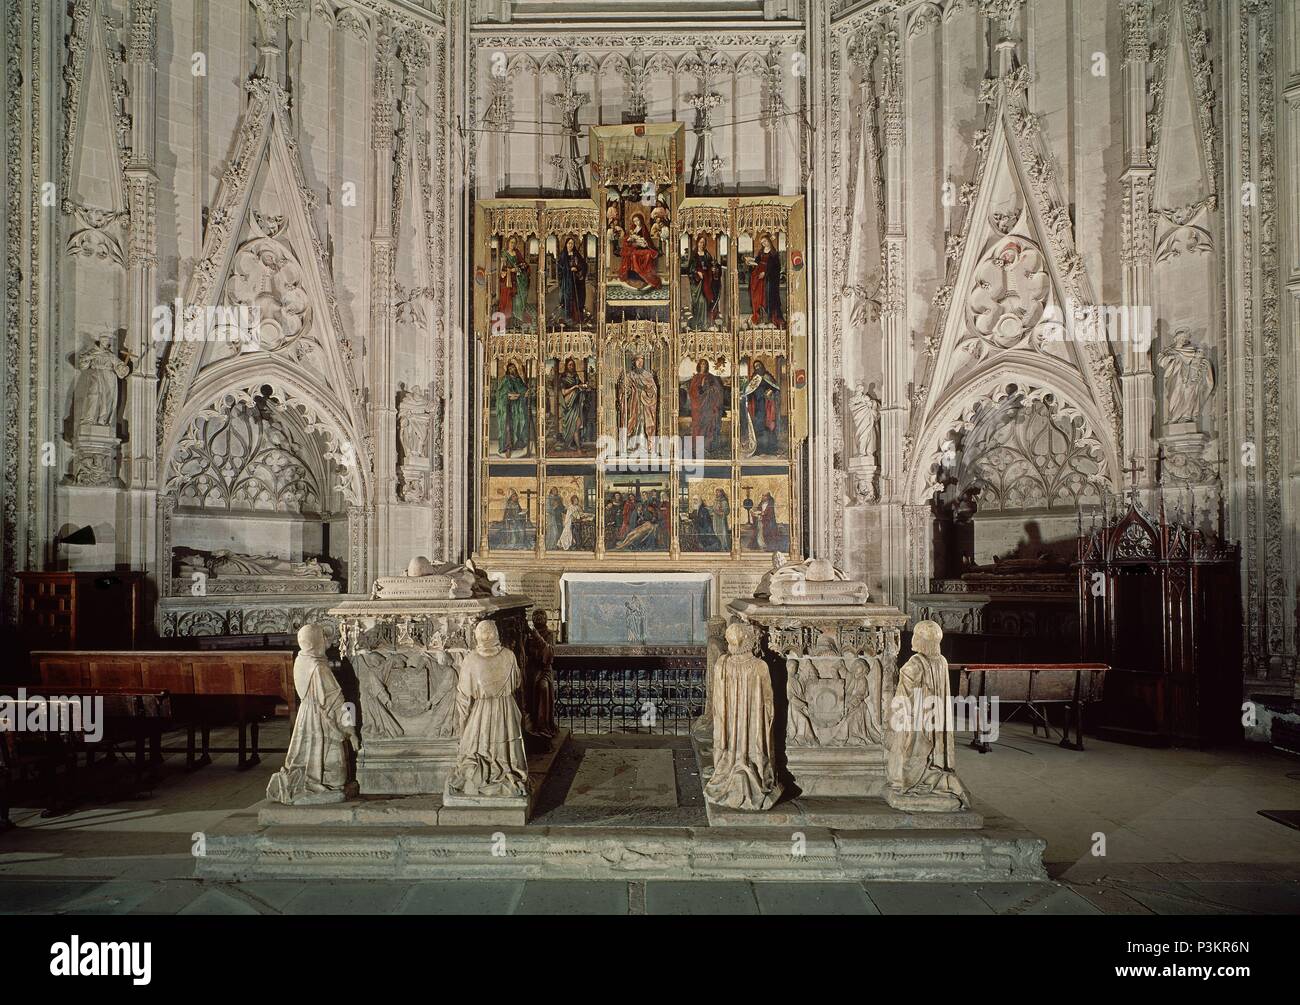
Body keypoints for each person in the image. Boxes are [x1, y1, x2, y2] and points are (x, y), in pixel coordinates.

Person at [266, 624, 357, 805]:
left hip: (305, 716)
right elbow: (337, 702)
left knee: (308, 756)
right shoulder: (319, 667)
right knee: (337, 776)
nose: (326, 641)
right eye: (323, 637)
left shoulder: (302, 659)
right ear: (316, 641)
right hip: (322, 719)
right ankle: (318, 784)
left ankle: (312, 780)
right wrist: (351, 731)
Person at [886, 620, 969, 812]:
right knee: (925, 748)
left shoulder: (915, 664)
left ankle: (914, 779)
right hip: (934, 717)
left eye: (916, 635)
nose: (913, 638)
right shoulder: (941, 661)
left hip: (917, 719)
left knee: (909, 749)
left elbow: (903, 698)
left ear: (923, 640)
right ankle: (933, 772)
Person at [703, 623, 783, 811]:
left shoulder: (723, 664)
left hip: (731, 727)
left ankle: (730, 766)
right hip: (753, 725)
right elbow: (769, 703)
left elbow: (718, 704)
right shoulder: (760, 666)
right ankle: (754, 769)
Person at [447, 621, 529, 799]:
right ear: (496, 634)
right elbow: (517, 682)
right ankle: (505, 771)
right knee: (506, 748)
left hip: (481, 711)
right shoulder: (509, 655)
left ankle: (485, 772)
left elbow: (464, 696)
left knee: (478, 744)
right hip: (506, 708)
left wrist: (462, 726)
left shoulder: (471, 660)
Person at [687, 358, 726, 457]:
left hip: (709, 405)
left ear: (707, 366)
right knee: (697, 425)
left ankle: (707, 447)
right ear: (699, 365)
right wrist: (700, 389)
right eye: (701, 364)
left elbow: (718, 389)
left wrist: (708, 389)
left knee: (708, 424)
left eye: (705, 364)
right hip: (697, 406)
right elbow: (692, 392)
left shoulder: (711, 377)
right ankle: (696, 447)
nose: (703, 365)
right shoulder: (695, 377)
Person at [618, 355, 658, 449]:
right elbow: (624, 391)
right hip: (633, 402)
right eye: (637, 361)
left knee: (643, 420)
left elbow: (654, 390)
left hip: (645, 404)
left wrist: (647, 389)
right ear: (634, 362)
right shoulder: (629, 375)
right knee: (634, 420)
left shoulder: (648, 375)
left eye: (641, 361)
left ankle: (644, 444)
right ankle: (632, 444)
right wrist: (626, 390)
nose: (640, 363)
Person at [745, 233, 784, 326]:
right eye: (762, 243)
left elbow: (776, 268)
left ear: (769, 240)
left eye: (765, 241)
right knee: (756, 293)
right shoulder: (761, 251)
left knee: (768, 296)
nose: (764, 244)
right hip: (760, 275)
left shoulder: (774, 253)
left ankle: (771, 317)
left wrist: (765, 273)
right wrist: (750, 261)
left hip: (769, 279)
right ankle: (759, 315)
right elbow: (757, 261)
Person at [686, 235, 722, 329]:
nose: (702, 244)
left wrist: (714, 268)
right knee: (700, 302)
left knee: (706, 301)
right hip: (697, 283)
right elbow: (689, 269)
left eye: (703, 243)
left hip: (707, 281)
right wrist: (697, 272)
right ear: (697, 243)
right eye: (700, 242)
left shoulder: (706, 254)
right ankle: (698, 322)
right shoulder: (694, 255)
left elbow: (712, 265)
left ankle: (705, 323)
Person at [494, 361, 530, 456]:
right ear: (507, 370)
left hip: (517, 407)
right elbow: (501, 393)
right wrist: (509, 396)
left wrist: (525, 393)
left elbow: (524, 391)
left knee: (518, 424)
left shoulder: (518, 379)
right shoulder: (506, 379)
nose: (512, 369)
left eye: (513, 367)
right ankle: (507, 447)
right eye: (510, 368)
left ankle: (516, 444)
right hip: (508, 406)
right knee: (508, 427)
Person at [618, 213, 662, 288]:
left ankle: (644, 274)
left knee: (648, 254)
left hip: (643, 248)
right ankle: (634, 275)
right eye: (634, 221)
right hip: (634, 248)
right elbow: (627, 239)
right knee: (633, 255)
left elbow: (648, 241)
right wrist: (630, 240)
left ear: (641, 220)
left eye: (637, 220)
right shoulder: (633, 229)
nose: (636, 222)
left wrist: (644, 244)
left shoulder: (644, 229)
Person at [555, 357, 589, 451]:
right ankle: (577, 448)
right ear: (566, 366)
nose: (571, 367)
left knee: (577, 425)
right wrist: (574, 387)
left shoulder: (575, 376)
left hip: (576, 404)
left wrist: (584, 386)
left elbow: (580, 385)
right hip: (569, 406)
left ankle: (576, 446)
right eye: (570, 365)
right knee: (575, 426)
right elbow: (563, 392)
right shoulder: (563, 378)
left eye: (573, 365)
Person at [497, 236, 531, 327]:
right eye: (511, 242)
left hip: (517, 279)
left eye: (514, 243)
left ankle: (518, 318)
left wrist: (518, 268)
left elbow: (523, 264)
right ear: (508, 243)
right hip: (508, 279)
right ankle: (507, 319)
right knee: (508, 298)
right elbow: (502, 267)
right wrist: (508, 270)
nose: (512, 244)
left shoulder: (517, 252)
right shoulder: (504, 253)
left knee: (518, 299)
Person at [556, 235, 587, 325]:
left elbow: (584, 265)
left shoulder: (576, 254)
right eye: (569, 243)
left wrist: (576, 268)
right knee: (567, 297)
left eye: (572, 244)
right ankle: (567, 317)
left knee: (576, 297)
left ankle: (576, 317)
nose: (570, 245)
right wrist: (569, 269)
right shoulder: (563, 255)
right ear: (566, 244)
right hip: (567, 281)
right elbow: (560, 268)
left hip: (576, 281)